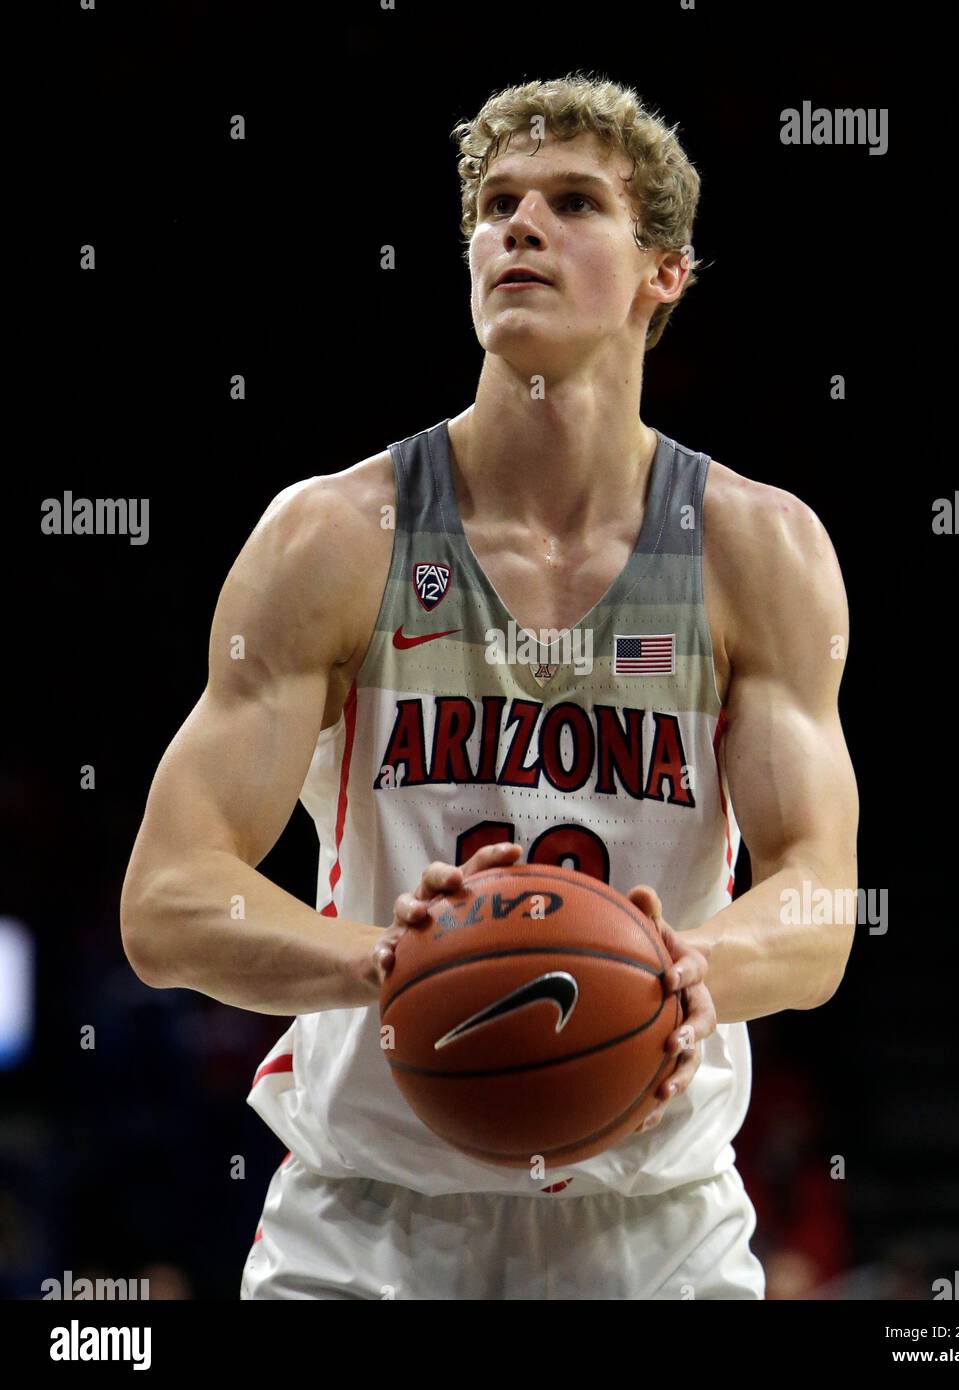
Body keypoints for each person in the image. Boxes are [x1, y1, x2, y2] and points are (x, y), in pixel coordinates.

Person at [120, 73, 859, 1300]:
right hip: (370, 1217)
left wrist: (684, 974)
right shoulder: (334, 536)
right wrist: (387, 962)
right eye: (497, 203)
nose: (520, 227)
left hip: (649, 1220)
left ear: (663, 270)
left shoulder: (755, 547)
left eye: (573, 203)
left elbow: (822, 901)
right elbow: (167, 902)